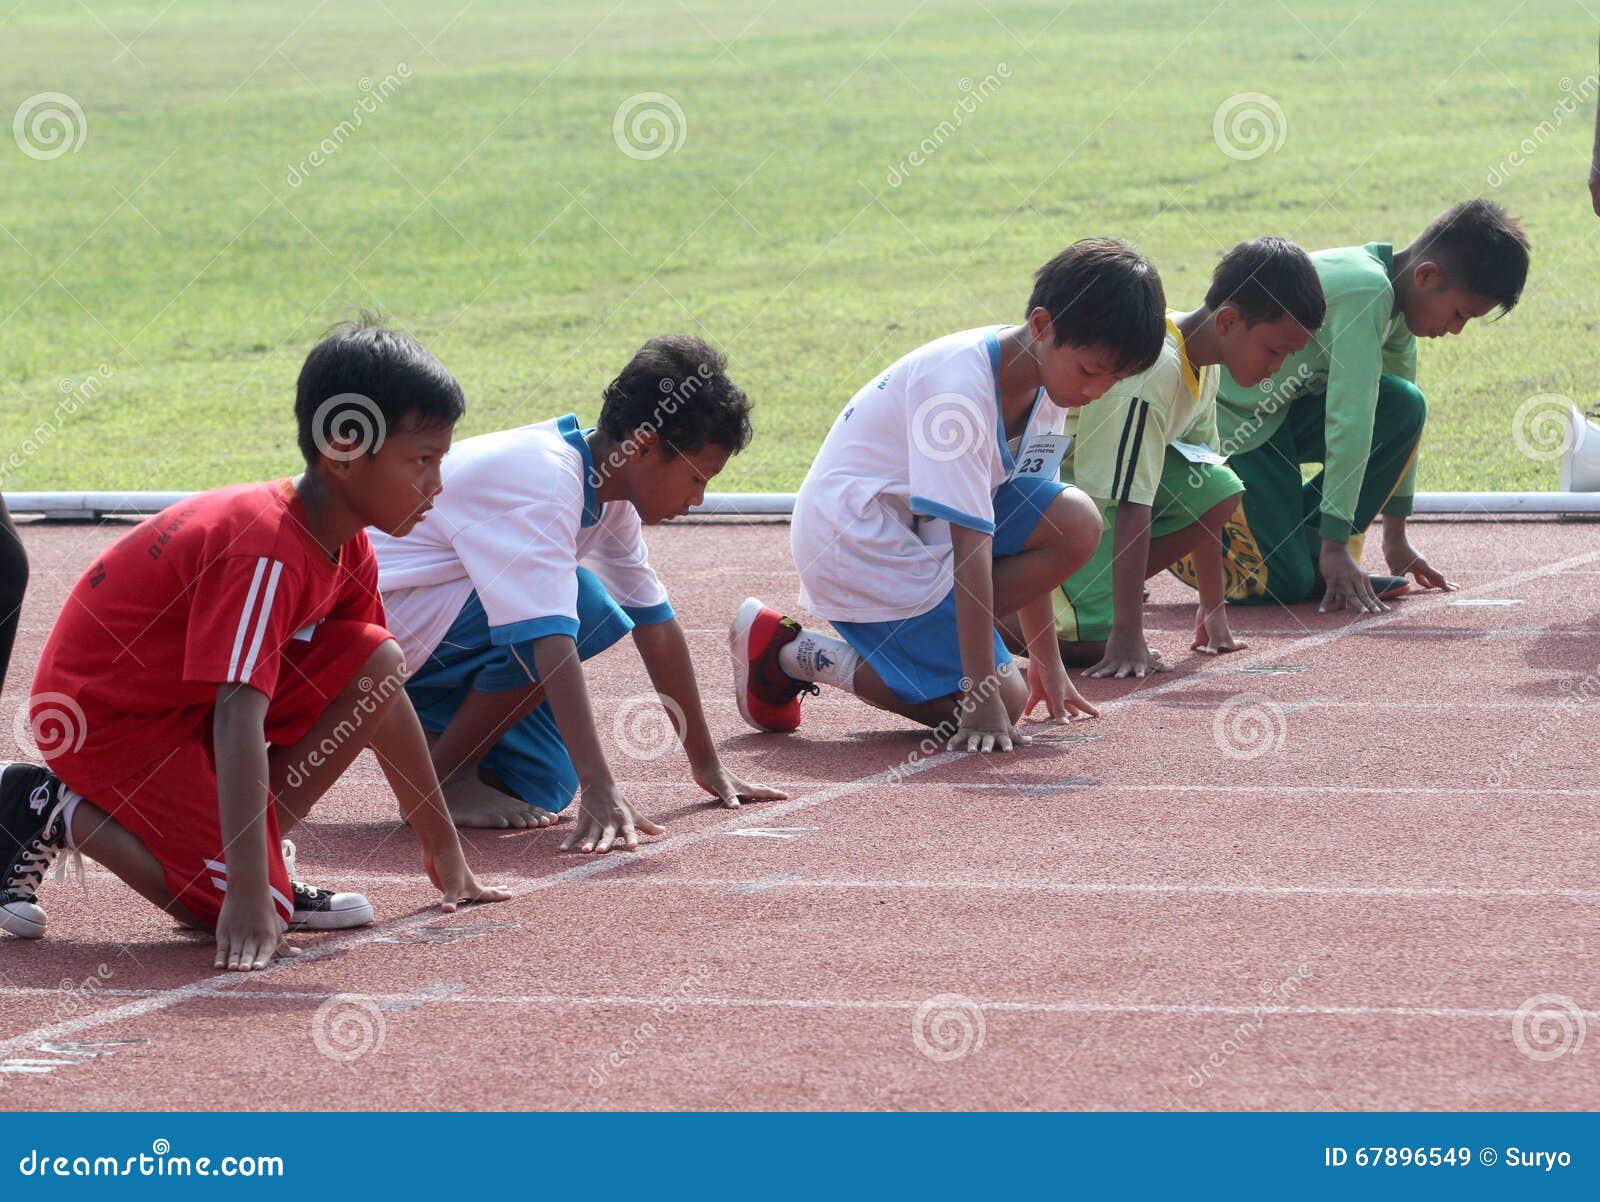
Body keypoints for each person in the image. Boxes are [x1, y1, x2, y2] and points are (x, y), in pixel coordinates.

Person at [2, 321, 509, 969]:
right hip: (107, 718)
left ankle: (246, 860)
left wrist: (445, 854)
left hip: (182, 704)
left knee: (378, 657)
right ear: (344, 448)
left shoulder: (349, 542)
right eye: (422, 460)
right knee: (253, 909)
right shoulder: (267, 548)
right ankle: (48, 805)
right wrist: (246, 893)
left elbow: (379, 689)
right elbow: (238, 710)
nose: (438, 483)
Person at [731, 238, 1167, 749]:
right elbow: (971, 544)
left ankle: (934, 644)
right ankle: (791, 654)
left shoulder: (1047, 381)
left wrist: (1047, 662)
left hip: (924, 534)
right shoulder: (958, 394)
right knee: (999, 701)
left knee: (1074, 521)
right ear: (1042, 326)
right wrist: (979, 694)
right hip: (860, 543)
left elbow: (1023, 521)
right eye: (1093, 371)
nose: (1097, 391)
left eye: (1116, 379)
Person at [372, 334, 786, 850]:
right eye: (696, 477)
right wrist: (600, 783)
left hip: (427, 635)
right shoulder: (546, 479)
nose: (697, 499)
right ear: (645, 446)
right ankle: (440, 781)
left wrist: (706, 763)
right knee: (582, 603)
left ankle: (432, 745)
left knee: (543, 782)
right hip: (369, 632)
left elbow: (656, 625)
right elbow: (548, 634)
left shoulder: (611, 488)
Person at [1185, 200, 1530, 613]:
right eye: (1460, 314)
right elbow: (1350, 418)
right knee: (1284, 584)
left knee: (1405, 406)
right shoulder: (1367, 290)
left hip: (1275, 418)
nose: (1456, 330)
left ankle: (1311, 550)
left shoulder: (1400, 310)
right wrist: (1338, 544)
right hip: (1230, 423)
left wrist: (1396, 538)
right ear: (1427, 275)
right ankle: (1175, 538)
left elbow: (1400, 425)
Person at [1028, 237, 1323, 678]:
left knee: (1221, 487)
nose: (1276, 367)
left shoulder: (1207, 364)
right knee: (1090, 643)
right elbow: (1131, 502)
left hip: (1099, 504)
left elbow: (1203, 474)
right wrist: (1128, 634)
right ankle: (1012, 610)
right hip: (1062, 501)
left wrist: (1213, 608)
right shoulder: (1155, 371)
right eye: (1274, 350)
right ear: (1228, 321)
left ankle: (1100, 596)